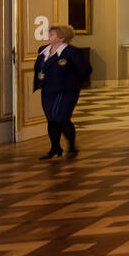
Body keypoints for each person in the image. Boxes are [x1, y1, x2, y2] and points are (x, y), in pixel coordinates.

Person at [33, 24, 92, 159]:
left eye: (52, 34)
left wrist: (73, 83)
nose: (49, 36)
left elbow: (85, 70)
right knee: (51, 120)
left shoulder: (72, 52)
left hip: (66, 92)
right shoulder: (43, 50)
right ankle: (55, 148)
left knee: (61, 118)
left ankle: (72, 147)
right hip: (47, 90)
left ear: (61, 37)